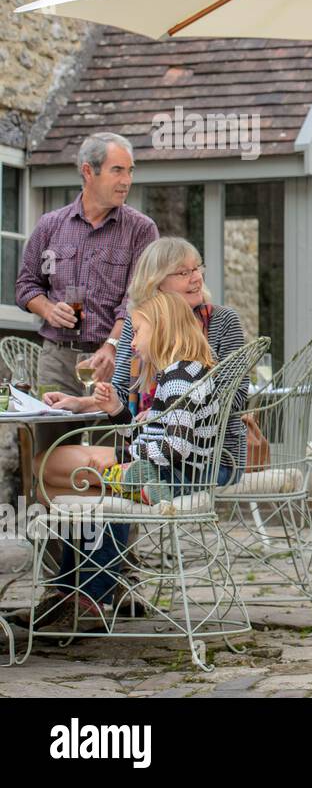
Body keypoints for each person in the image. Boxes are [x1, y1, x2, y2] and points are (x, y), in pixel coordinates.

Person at [25, 291, 227, 629]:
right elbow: (159, 438)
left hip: (166, 476)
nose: (132, 343)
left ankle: (84, 591)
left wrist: (123, 458)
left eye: (138, 332)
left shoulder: (177, 377)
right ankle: (81, 590)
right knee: (59, 484)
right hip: (167, 470)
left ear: (162, 329)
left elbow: (174, 447)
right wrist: (117, 411)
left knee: (51, 476)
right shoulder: (182, 371)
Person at [44, 237, 249, 488]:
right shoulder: (137, 321)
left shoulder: (222, 321)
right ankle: (121, 499)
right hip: (149, 442)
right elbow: (121, 391)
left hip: (210, 457)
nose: (196, 277)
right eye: (184, 272)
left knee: (55, 466)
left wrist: (163, 410)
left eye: (197, 268)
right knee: (53, 470)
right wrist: (80, 403)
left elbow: (236, 397)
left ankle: (122, 494)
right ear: (157, 283)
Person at [15, 132, 158, 452]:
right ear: (88, 172)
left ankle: (104, 505)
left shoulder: (141, 229)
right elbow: (25, 285)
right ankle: (47, 505)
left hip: (115, 360)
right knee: (49, 452)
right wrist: (48, 309)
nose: (126, 180)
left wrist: (112, 346)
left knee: (109, 453)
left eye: (130, 170)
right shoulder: (50, 224)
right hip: (58, 358)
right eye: (117, 170)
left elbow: (138, 298)